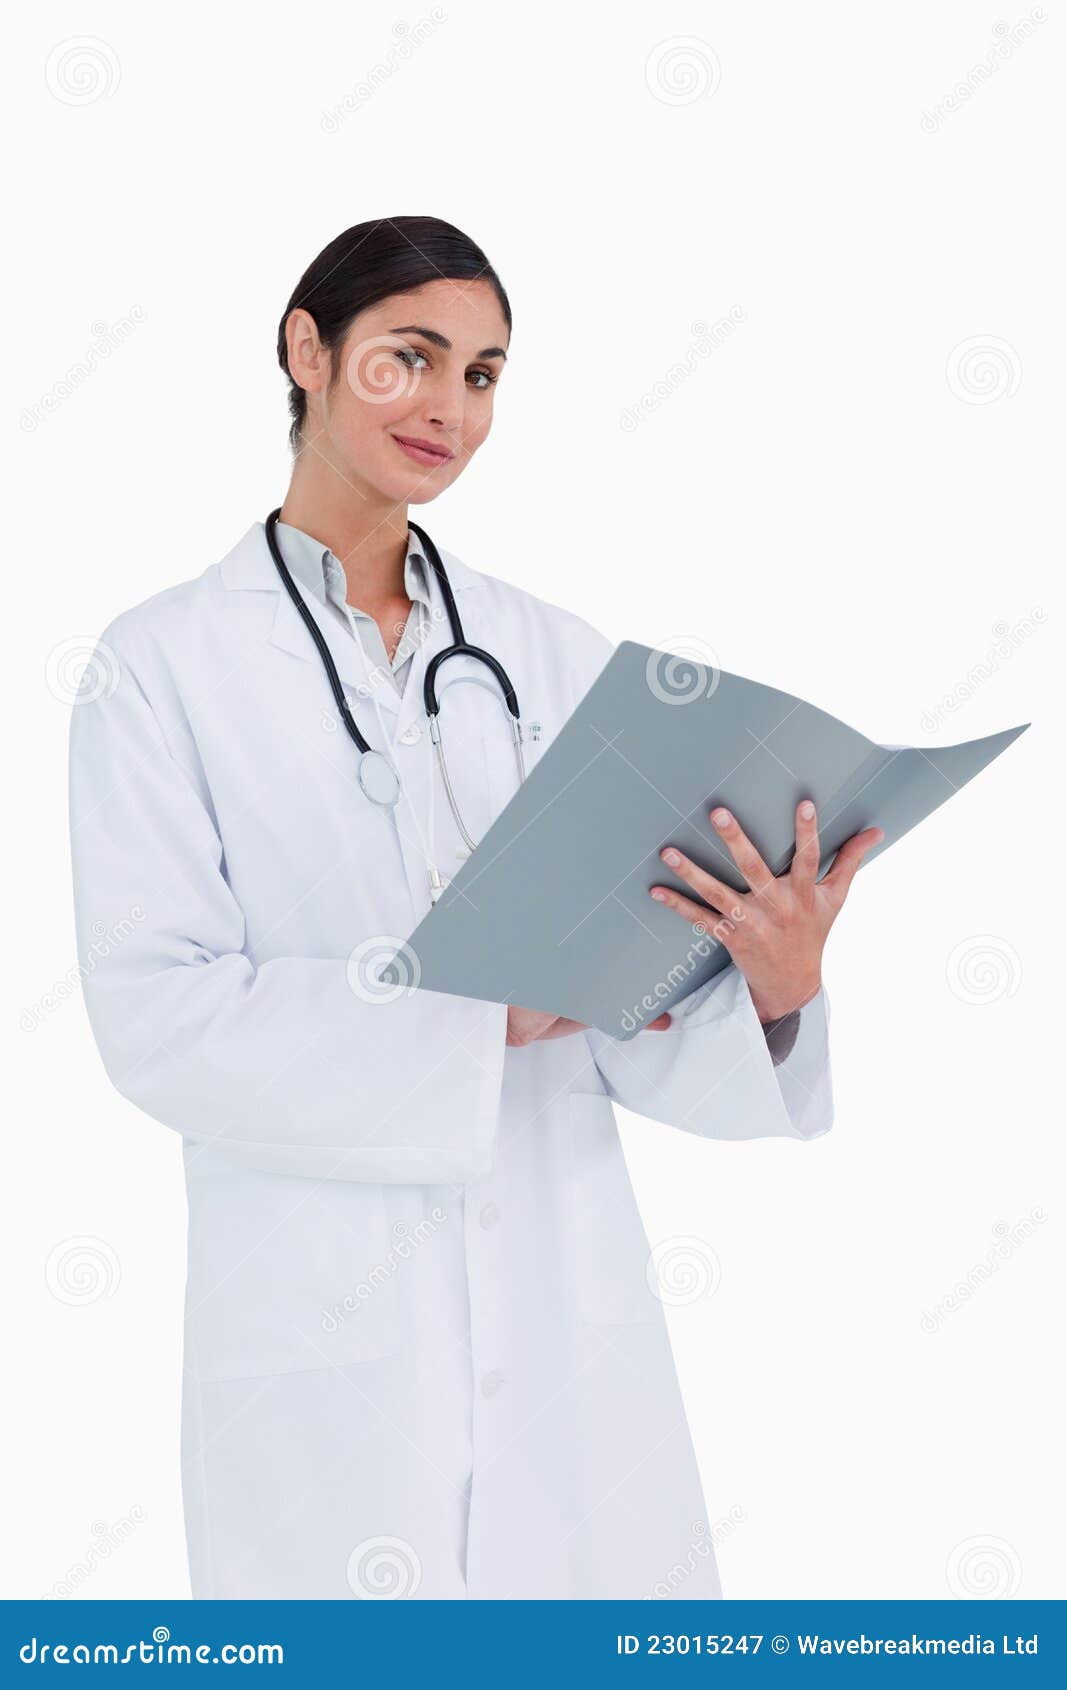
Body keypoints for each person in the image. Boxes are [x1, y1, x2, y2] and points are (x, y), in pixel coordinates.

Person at [69, 216, 883, 1600]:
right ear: (305, 352)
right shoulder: (158, 666)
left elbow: (634, 996)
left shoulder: (550, 655)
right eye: (412, 358)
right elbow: (158, 1012)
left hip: (567, 1322)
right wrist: (471, 1014)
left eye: (486, 374)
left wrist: (773, 983)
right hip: (324, 1346)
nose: (451, 406)